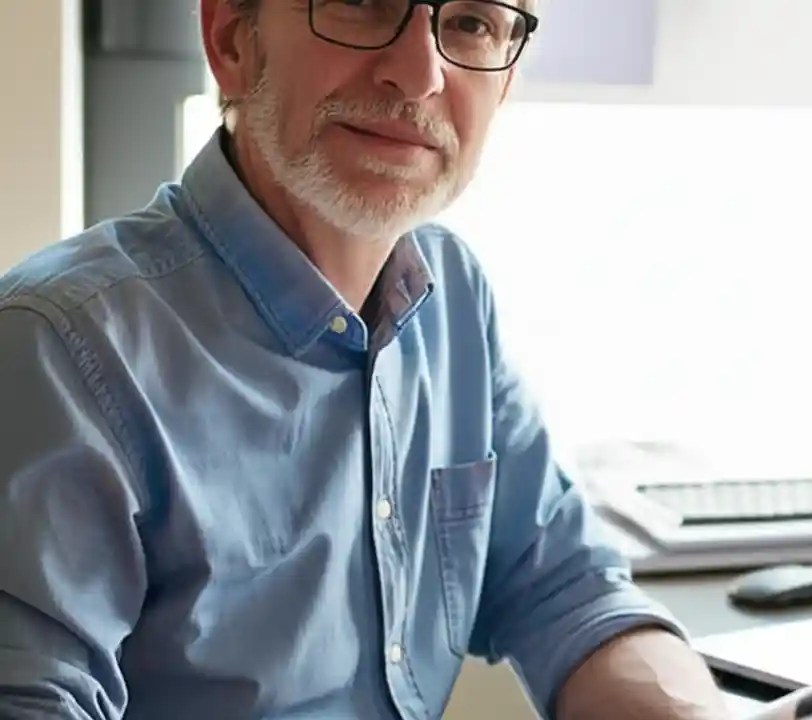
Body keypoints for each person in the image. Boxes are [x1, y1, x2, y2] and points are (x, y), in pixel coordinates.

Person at [0, 0, 731, 718]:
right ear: (231, 39)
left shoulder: (453, 303)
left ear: (504, 83)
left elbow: (567, 589)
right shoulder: (59, 352)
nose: (420, 75)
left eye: (470, 22)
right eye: (360, 4)